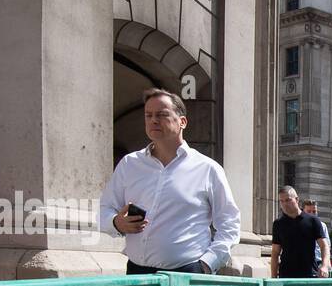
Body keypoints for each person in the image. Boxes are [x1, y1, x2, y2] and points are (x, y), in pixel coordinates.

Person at [100, 87, 240, 274]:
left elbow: (229, 223)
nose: (153, 120)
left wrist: (207, 264)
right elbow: (104, 209)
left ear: (182, 122)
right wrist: (117, 223)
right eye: (148, 115)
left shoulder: (208, 169)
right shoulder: (129, 164)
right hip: (136, 272)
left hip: (187, 274)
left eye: (162, 114)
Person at [271, 185, 330, 279]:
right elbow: (275, 252)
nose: (284, 204)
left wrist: (325, 266)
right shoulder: (278, 224)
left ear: (297, 199)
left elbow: (324, 245)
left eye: (288, 200)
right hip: (286, 275)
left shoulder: (313, 220)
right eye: (281, 201)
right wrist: (273, 277)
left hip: (309, 274)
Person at [301, 199, 332, 276]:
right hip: (304, 263)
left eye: (314, 211)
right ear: (303, 211)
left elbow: (327, 246)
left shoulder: (322, 226)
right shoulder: (299, 225)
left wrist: (326, 264)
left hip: (319, 262)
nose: (312, 214)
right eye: (309, 211)